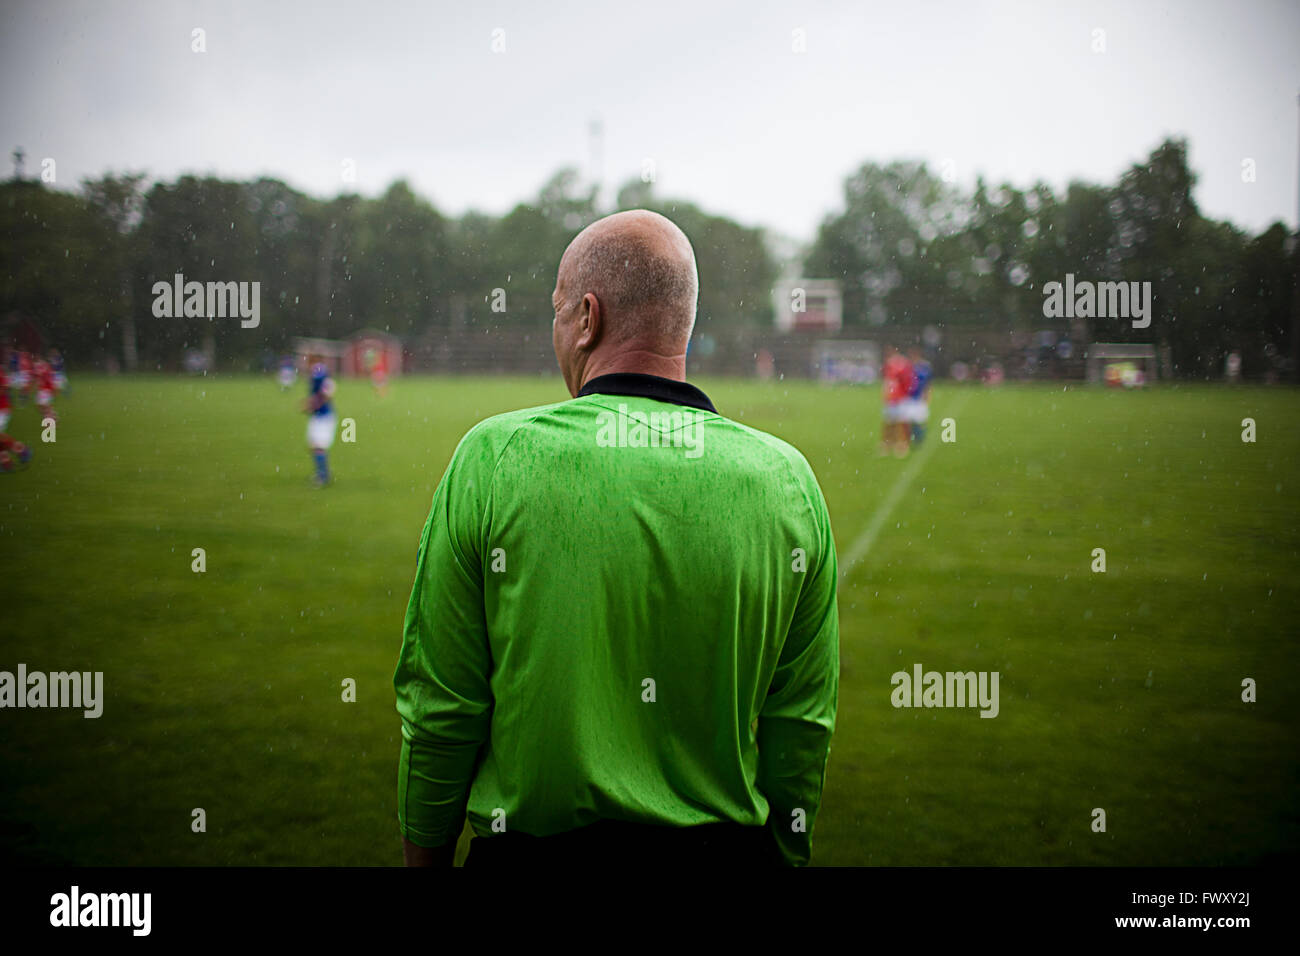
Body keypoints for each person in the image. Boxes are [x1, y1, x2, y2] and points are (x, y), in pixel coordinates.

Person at [394, 210, 839, 869]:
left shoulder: (492, 458)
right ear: (682, 322)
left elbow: (442, 708)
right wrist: (783, 857)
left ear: (586, 317)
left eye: (556, 310)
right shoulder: (788, 482)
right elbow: (801, 726)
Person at [302, 362, 336, 486]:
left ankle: (323, 476)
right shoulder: (322, 382)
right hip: (317, 417)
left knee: (318, 446)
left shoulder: (327, 384)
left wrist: (310, 405)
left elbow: (325, 397)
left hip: (324, 418)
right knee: (313, 446)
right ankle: (323, 472)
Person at [879, 344, 914, 458]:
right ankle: (888, 444)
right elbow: (888, 381)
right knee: (889, 422)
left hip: (899, 397)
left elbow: (906, 381)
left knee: (899, 422)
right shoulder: (890, 364)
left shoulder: (901, 364)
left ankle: (901, 445)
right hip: (892, 397)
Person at [906, 346, 933, 445]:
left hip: (920, 397)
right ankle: (912, 438)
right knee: (909, 419)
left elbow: (928, 383)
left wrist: (928, 394)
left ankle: (919, 438)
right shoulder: (908, 366)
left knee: (920, 418)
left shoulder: (925, 366)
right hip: (909, 397)